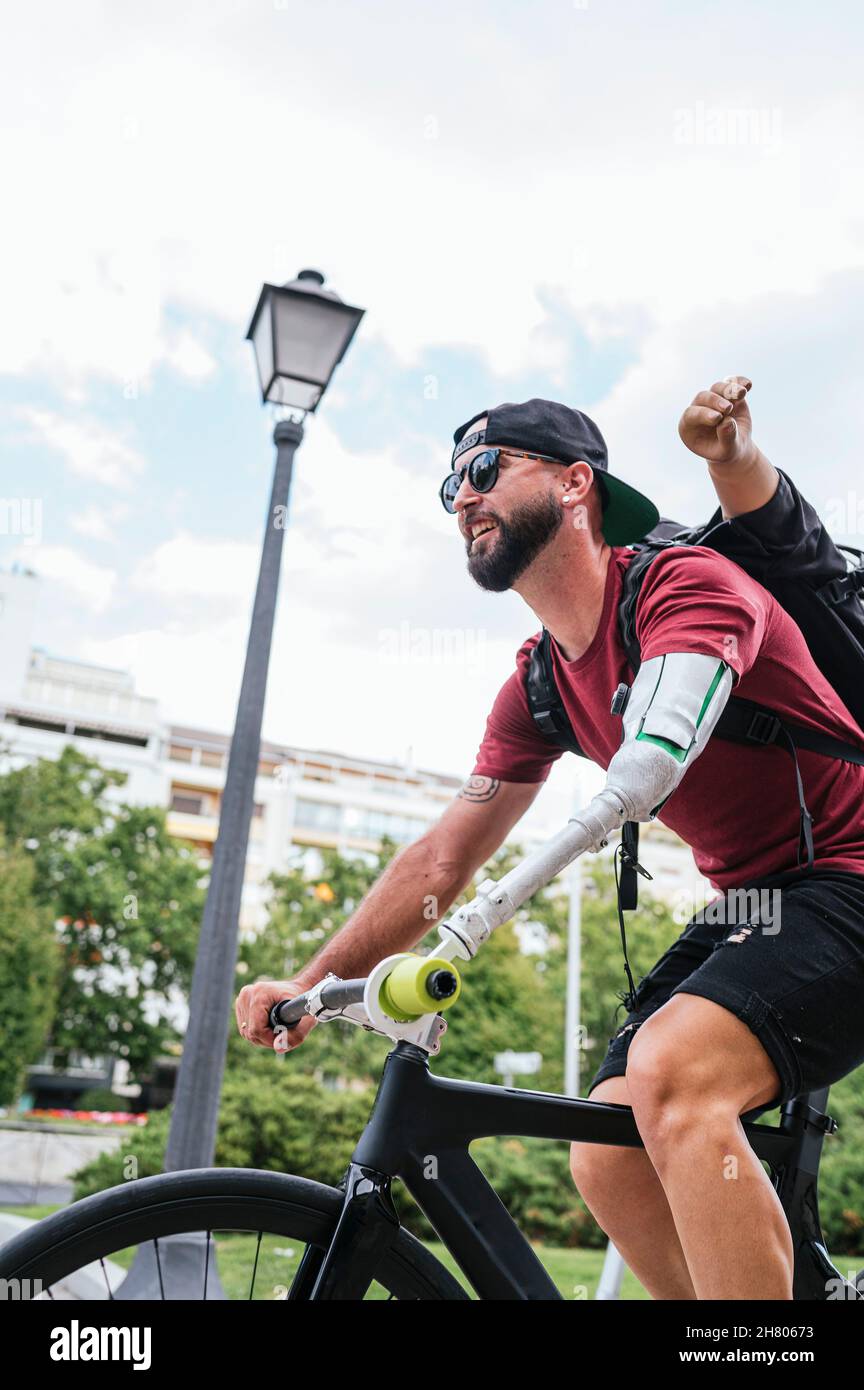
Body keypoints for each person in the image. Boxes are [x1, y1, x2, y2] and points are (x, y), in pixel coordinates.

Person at [235, 377, 864, 1301]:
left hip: (848, 880)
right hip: (762, 904)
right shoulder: (537, 684)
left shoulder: (688, 588)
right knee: (607, 1150)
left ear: (576, 484)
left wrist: (475, 928)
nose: (462, 498)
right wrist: (311, 977)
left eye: (484, 470)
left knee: (674, 1075)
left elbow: (649, 763)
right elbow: (444, 856)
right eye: (449, 487)